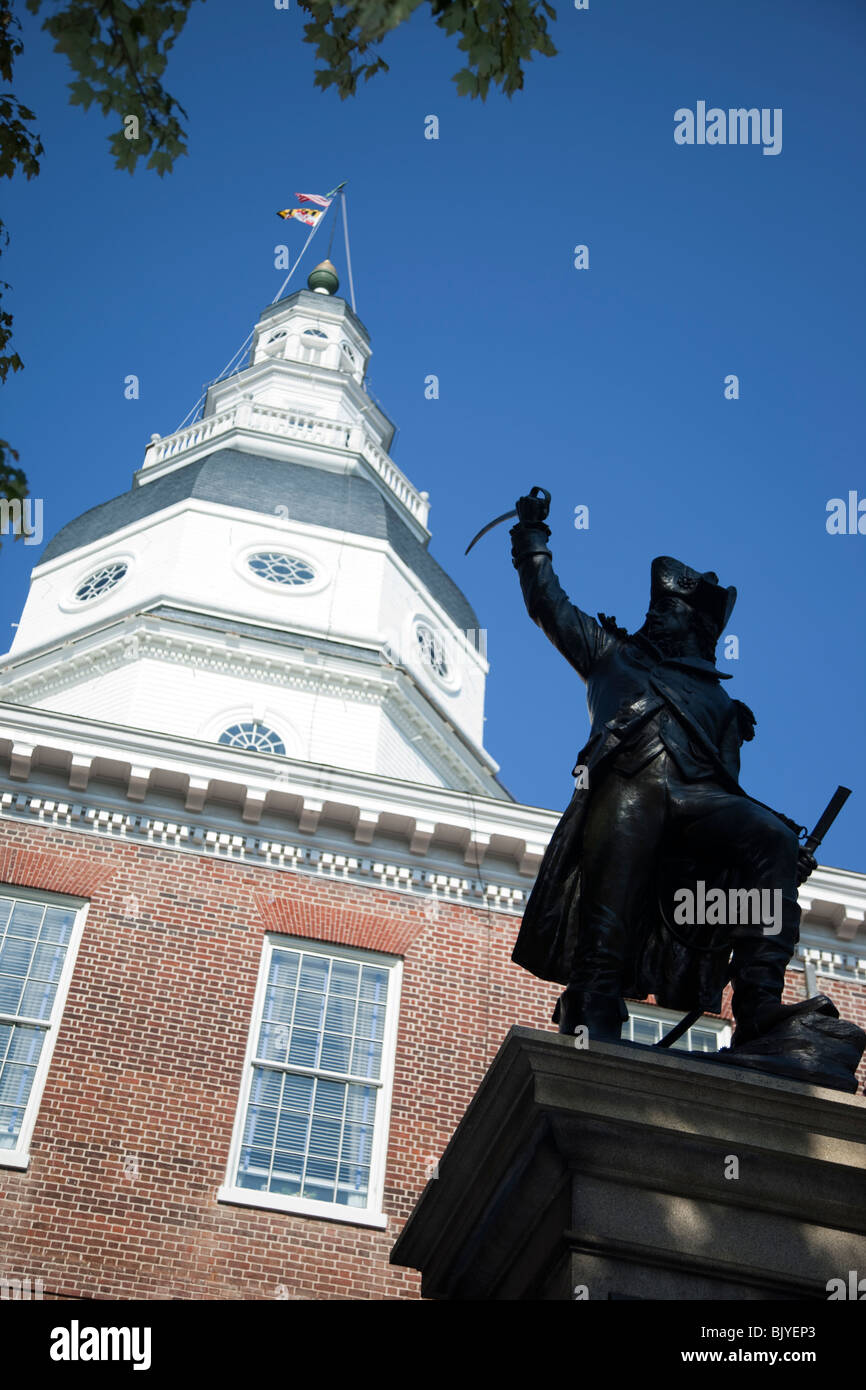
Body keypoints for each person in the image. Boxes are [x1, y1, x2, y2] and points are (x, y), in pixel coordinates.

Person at [509, 488, 817, 1045]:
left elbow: (729, 786)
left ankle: (758, 1003)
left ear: (696, 630)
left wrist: (775, 861)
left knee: (769, 838)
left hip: (695, 804)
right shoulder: (611, 654)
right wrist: (532, 539)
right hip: (627, 793)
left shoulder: (721, 704)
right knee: (607, 922)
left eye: (665, 611)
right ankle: (592, 1010)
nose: (652, 615)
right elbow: (547, 605)